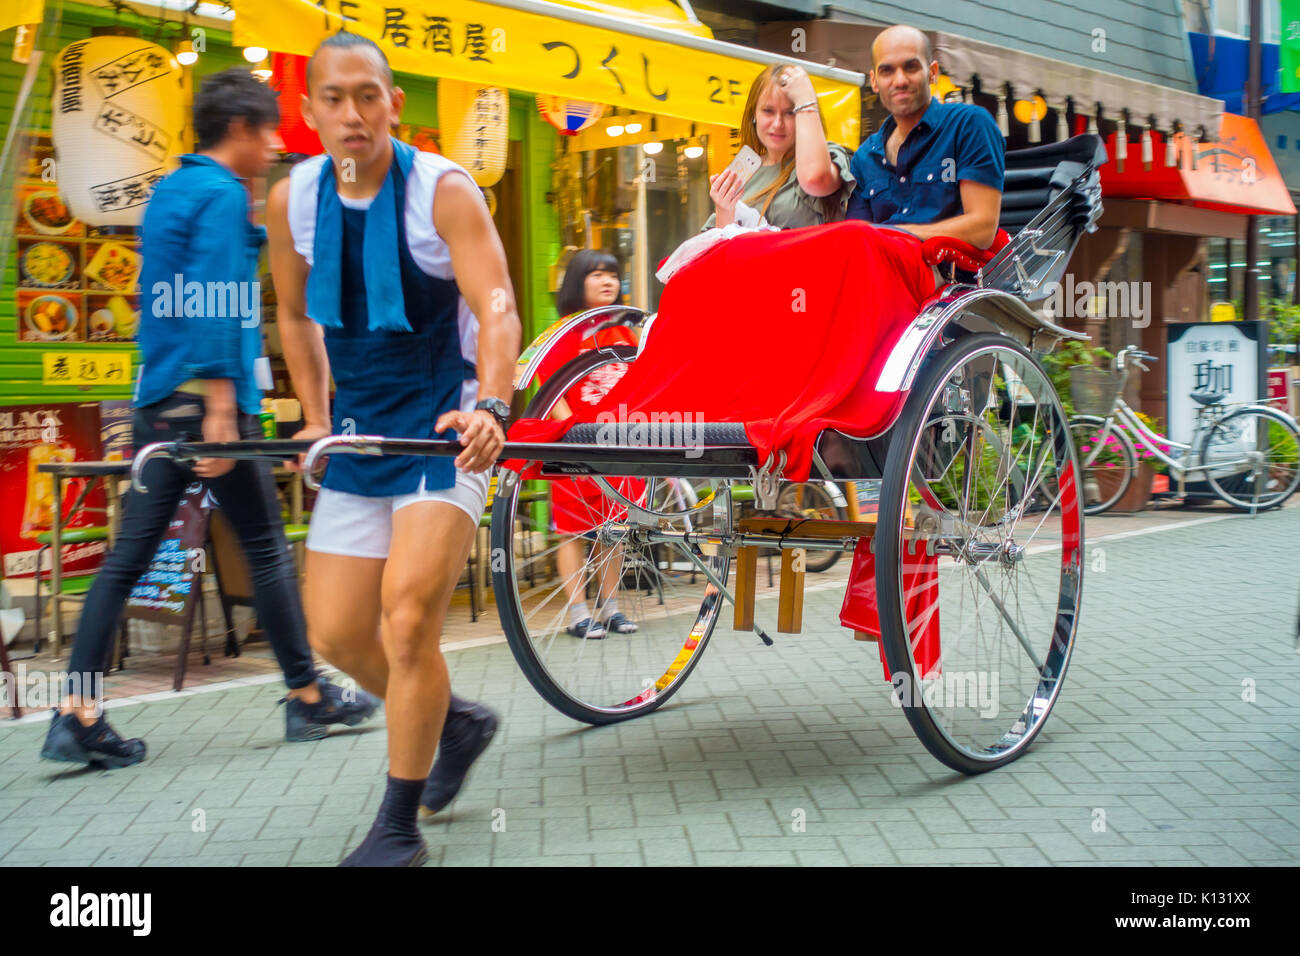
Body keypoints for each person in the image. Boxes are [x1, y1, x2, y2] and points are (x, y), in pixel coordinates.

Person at [40, 68, 379, 771]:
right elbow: (219, 296)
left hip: (158, 397)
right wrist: (223, 404)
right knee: (262, 550)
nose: (277, 144)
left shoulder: (168, 191)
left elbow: (163, 293)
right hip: (206, 407)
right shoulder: (225, 195)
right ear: (241, 131)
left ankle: (77, 708)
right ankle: (308, 698)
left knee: (128, 557)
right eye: (269, 130)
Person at [266, 33, 521, 866]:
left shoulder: (440, 192)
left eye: (368, 96)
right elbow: (297, 314)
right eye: (333, 99)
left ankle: (396, 827)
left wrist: (490, 404)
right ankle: (455, 722)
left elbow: (498, 306)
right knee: (336, 635)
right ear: (308, 113)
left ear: (393, 103)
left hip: (445, 429)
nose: (352, 114)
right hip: (358, 434)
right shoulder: (292, 200)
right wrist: (312, 414)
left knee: (407, 622)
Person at [539, 250, 643, 639]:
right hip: (576, 444)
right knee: (572, 531)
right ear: (576, 282)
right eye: (596, 274)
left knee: (613, 530)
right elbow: (551, 388)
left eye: (612, 274)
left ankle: (612, 607)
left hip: (618, 443)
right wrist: (570, 434)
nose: (607, 282)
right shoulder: (566, 330)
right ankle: (578, 613)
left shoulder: (623, 331)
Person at [846, 24, 1004, 249]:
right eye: (887, 71)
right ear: (874, 81)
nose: (899, 80)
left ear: (932, 72)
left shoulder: (969, 125)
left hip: (953, 277)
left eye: (911, 67)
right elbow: (856, 241)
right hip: (883, 276)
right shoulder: (865, 157)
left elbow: (982, 229)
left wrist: (895, 234)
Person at [704, 62, 856, 231]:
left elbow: (816, 178)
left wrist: (806, 99)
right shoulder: (743, 171)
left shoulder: (826, 155)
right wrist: (724, 209)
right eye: (768, 111)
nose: (778, 124)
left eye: (790, 112)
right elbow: (718, 247)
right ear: (753, 114)